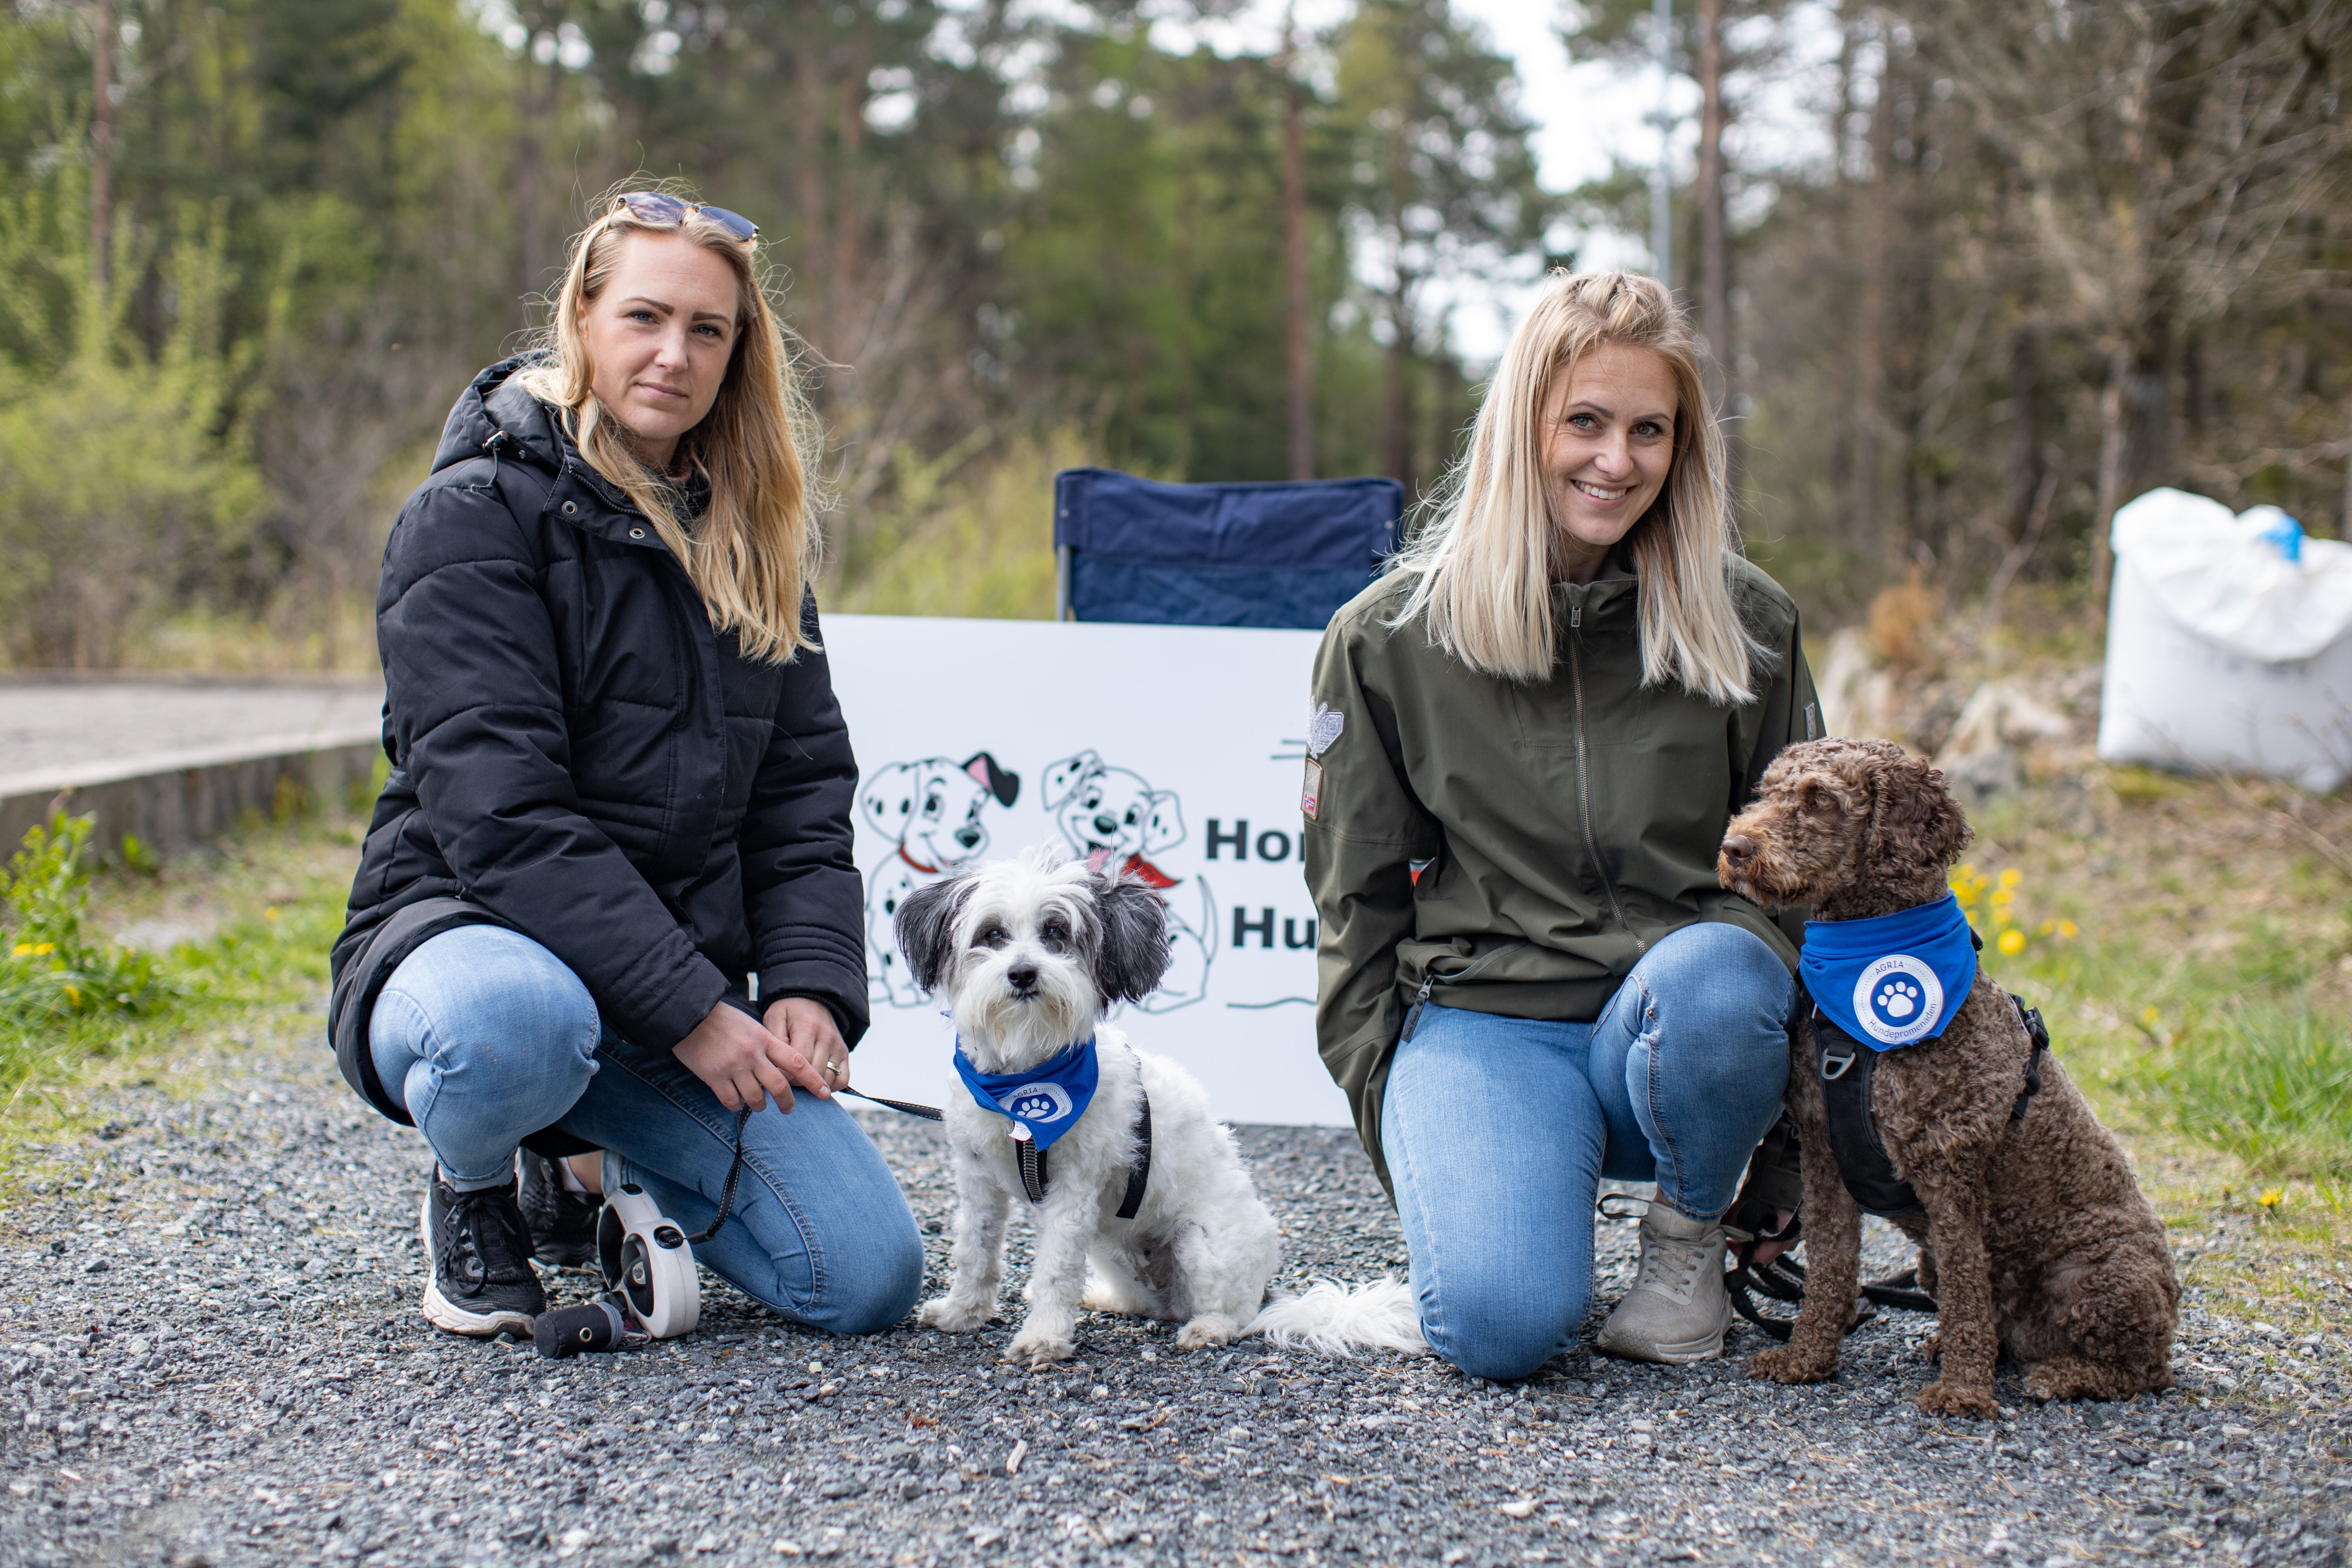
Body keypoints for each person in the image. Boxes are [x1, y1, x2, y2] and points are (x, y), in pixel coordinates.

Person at [328, 187, 923, 1340]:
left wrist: (807, 989)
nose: (674, 353)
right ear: (582, 321)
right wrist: (698, 1009)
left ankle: (590, 1165)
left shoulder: (756, 545)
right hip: (468, 940)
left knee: (861, 1276)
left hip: (664, 993)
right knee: (516, 1024)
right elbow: (502, 818)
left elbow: (802, 798)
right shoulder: (470, 519)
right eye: (646, 317)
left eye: (709, 330)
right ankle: (479, 1180)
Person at [1303, 271, 1819, 1381]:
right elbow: (1355, 905)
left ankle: (1685, 1243)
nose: (1616, 461)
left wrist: (1780, 1170)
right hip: (1491, 1023)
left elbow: (1803, 887)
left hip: (1680, 1037)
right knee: (1498, 1329)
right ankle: (1516, 1208)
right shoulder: (1386, 638)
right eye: (1584, 422)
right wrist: (1406, 1124)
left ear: (1684, 448)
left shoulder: (1752, 624)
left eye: (1650, 431)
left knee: (1722, 975)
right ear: (1522, 428)